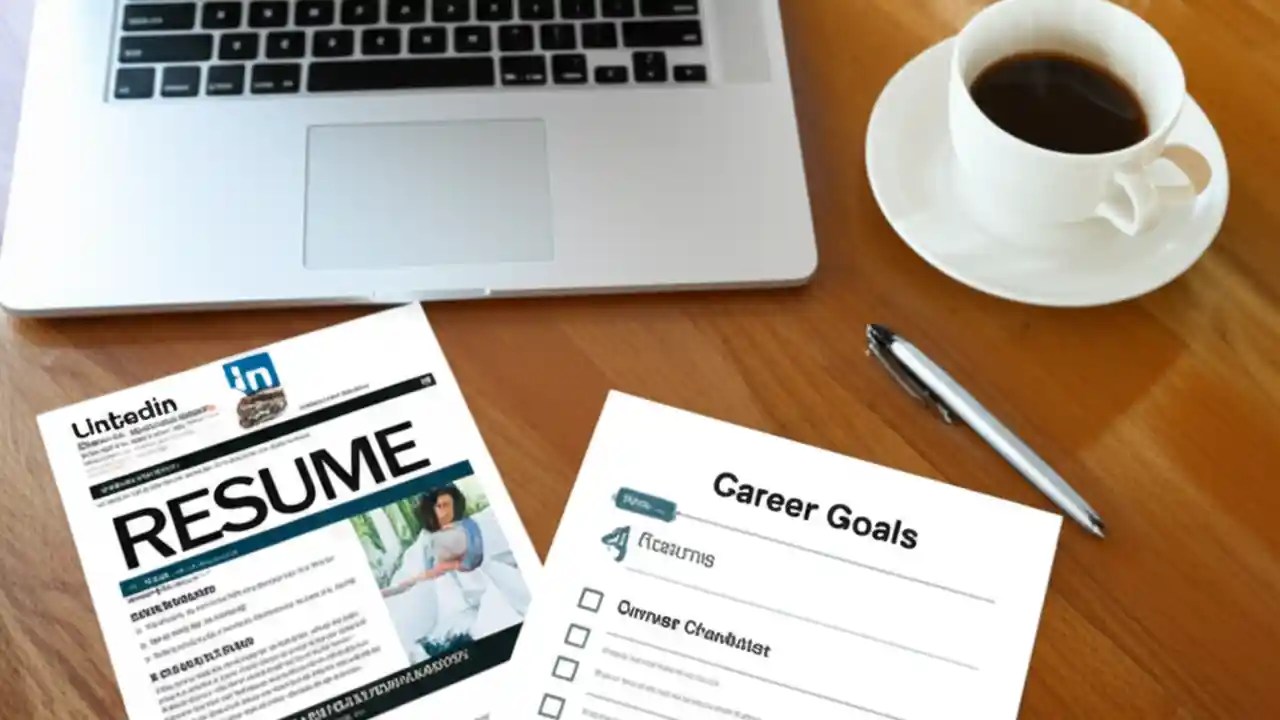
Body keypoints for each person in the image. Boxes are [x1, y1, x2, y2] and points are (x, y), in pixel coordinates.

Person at [381, 485, 484, 597]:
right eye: (439, 506)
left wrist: (453, 565)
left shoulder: (469, 525)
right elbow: (428, 566)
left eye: (447, 505)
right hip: (437, 580)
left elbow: (476, 555)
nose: (444, 510)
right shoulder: (428, 536)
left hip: (469, 577)